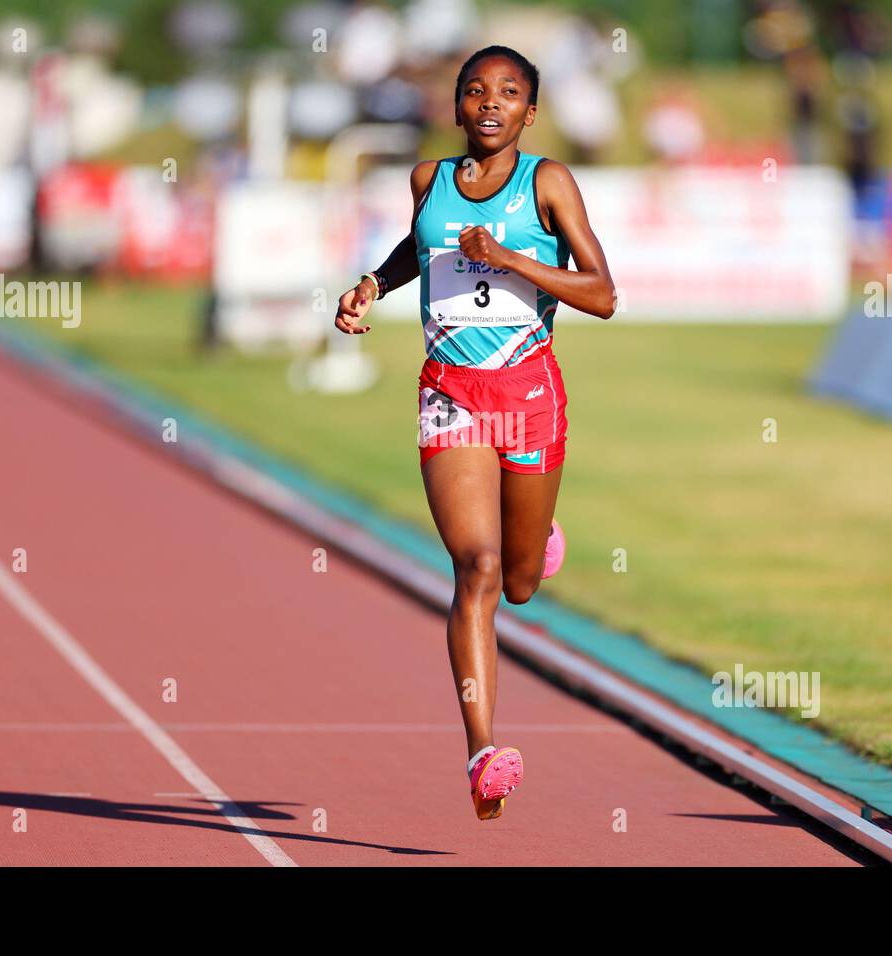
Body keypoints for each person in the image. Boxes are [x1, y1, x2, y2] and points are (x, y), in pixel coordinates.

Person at [333, 45, 616, 821]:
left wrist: (512, 258)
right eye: (475, 91)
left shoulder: (548, 182)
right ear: (456, 106)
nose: (490, 103)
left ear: (530, 111)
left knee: (521, 582)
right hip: (449, 393)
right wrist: (373, 283)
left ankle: (538, 533)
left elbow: (602, 294)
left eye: (509, 93)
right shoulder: (428, 181)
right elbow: (417, 250)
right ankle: (483, 752)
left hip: (529, 393)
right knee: (478, 569)